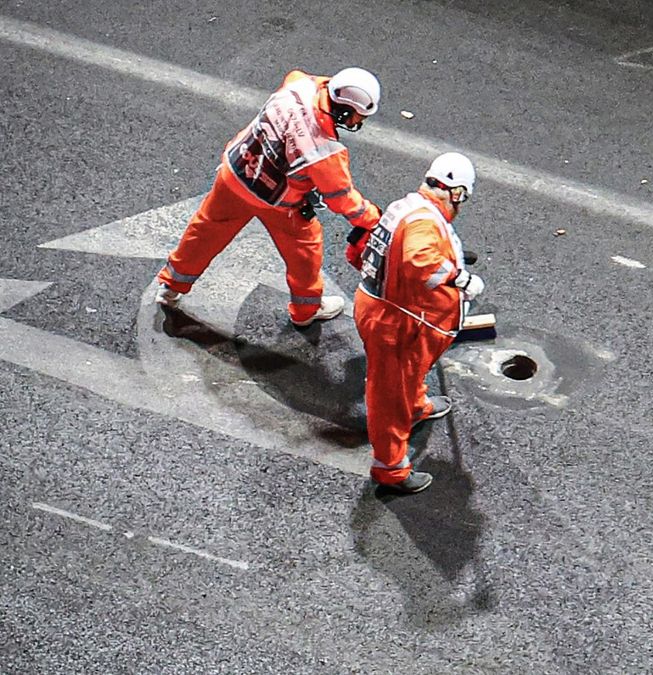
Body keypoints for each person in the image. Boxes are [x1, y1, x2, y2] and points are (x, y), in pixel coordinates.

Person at [155, 67, 383, 327]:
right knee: (305, 252)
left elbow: (305, 79)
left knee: (204, 232)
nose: (359, 122)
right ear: (345, 111)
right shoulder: (325, 152)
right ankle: (306, 310)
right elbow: (341, 199)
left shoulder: (299, 85)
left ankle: (171, 286)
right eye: (359, 117)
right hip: (277, 203)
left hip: (235, 175)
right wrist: (372, 219)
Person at [353, 152, 485, 494]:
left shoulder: (409, 206)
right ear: (457, 192)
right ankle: (391, 469)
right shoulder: (424, 222)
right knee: (389, 396)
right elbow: (418, 261)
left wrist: (454, 257)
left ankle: (415, 407)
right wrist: (459, 277)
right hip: (394, 322)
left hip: (391, 312)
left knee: (407, 376)